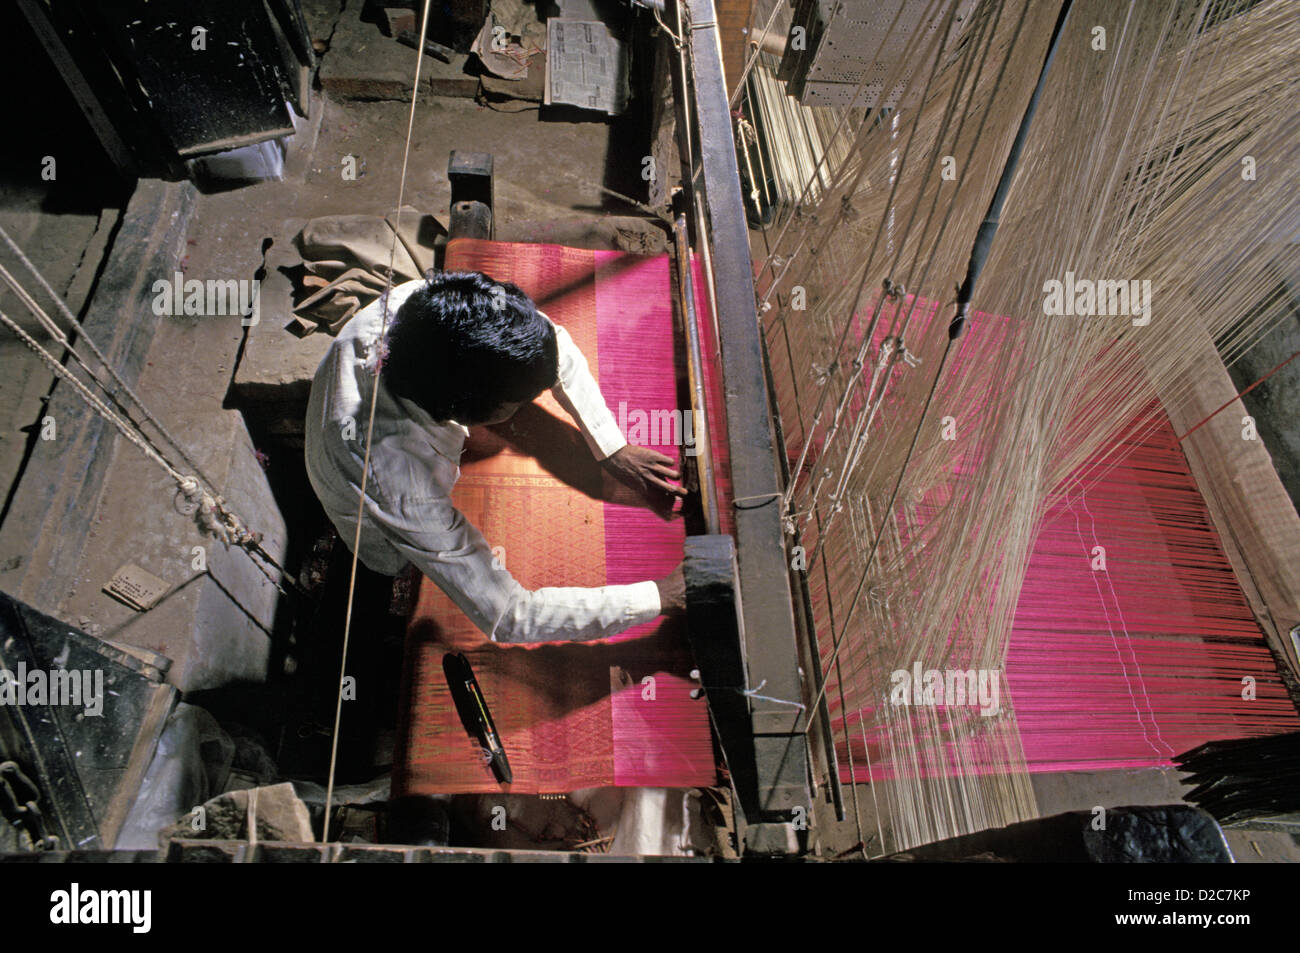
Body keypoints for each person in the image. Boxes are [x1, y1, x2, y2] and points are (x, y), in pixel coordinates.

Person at [304, 270, 687, 643]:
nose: (536, 400)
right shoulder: (398, 483)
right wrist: (660, 596)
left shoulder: (430, 303)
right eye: (521, 402)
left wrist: (609, 445)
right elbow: (509, 614)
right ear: (471, 415)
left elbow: (551, 342)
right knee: (397, 562)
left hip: (372, 430)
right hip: (359, 505)